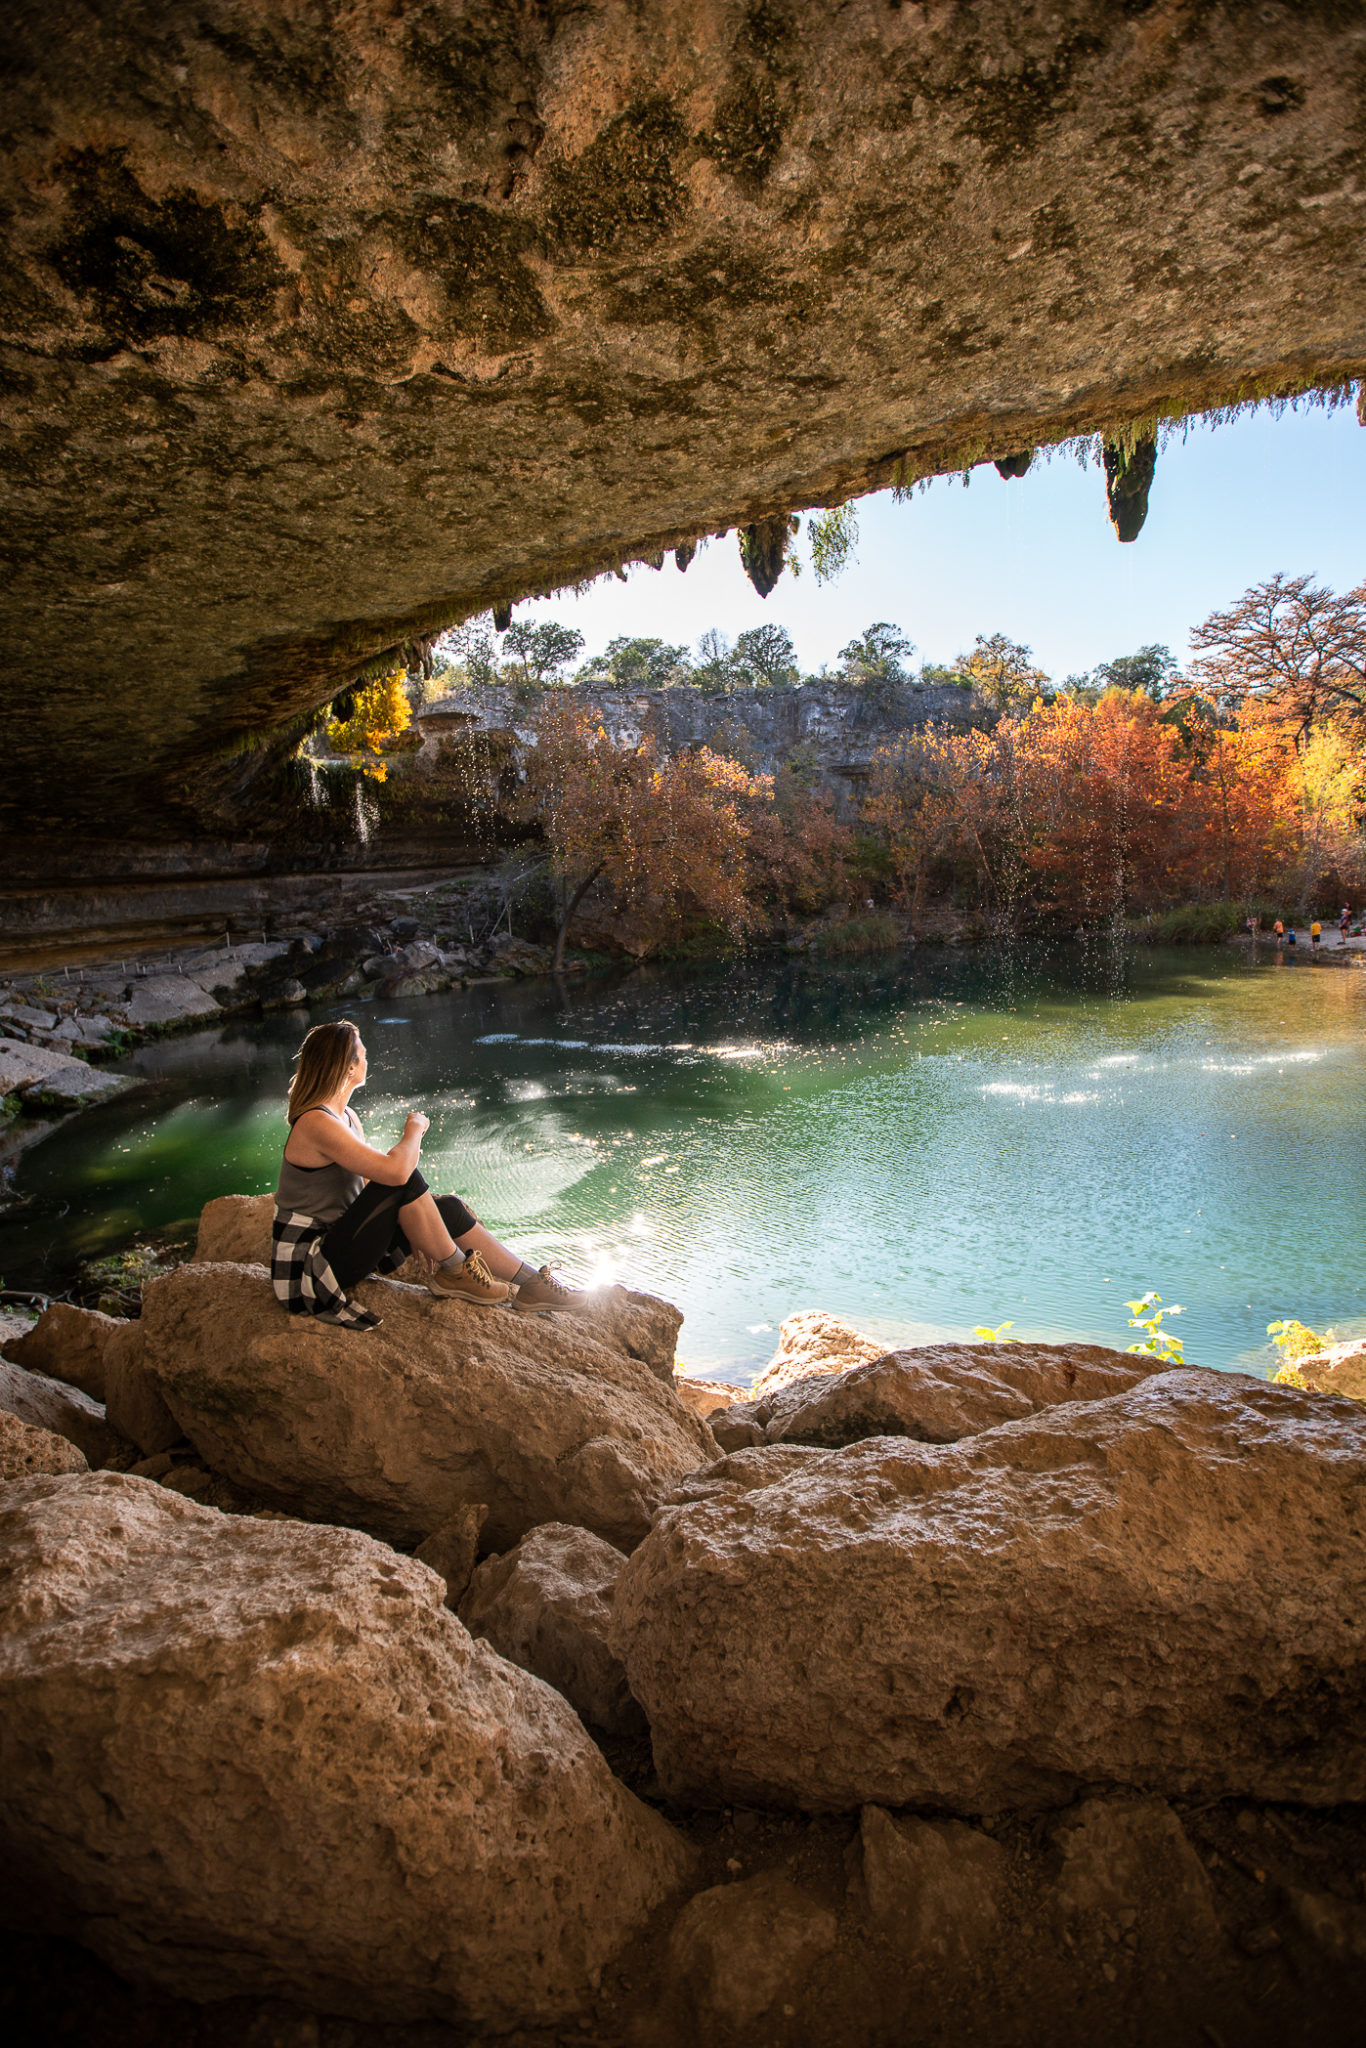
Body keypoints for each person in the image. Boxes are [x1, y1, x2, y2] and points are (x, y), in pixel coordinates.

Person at [273, 1019, 586, 1329]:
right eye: (363, 1054)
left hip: (343, 1243)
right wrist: (415, 1131)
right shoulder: (316, 1122)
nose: (368, 1059)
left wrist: (424, 1214)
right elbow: (395, 1175)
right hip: (311, 1268)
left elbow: (369, 1186)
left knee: (446, 1209)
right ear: (348, 1068)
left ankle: (531, 1283)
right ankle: (455, 1272)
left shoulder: (346, 1117)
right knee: (403, 1177)